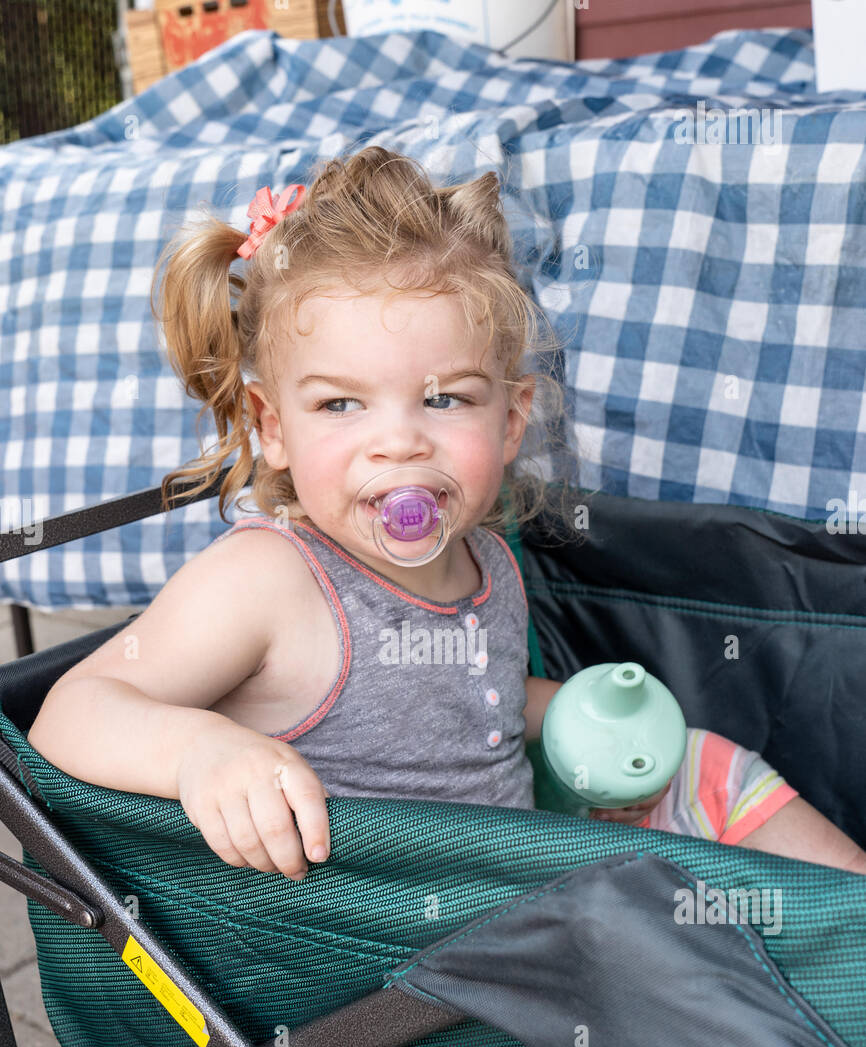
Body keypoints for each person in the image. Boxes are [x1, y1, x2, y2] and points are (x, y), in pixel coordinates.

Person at [27, 148, 866, 880]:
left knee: (703, 763)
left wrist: (573, 716)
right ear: (272, 427)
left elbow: (480, 703)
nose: (398, 443)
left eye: (443, 399)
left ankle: (847, 935)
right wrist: (200, 752)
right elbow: (71, 713)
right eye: (341, 405)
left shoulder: (487, 559)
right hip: (404, 962)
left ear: (508, 421)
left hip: (520, 876)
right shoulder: (271, 580)